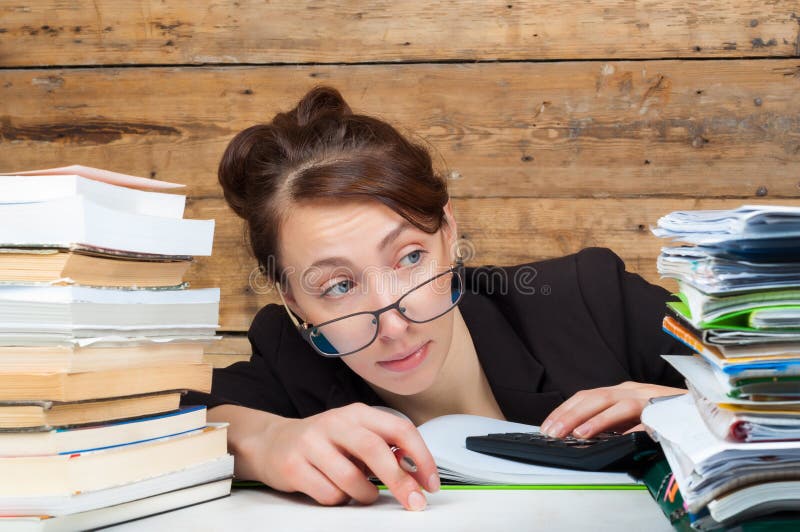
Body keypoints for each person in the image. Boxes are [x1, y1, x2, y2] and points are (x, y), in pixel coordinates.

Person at [184, 85, 692, 512]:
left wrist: (693, 410)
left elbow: (744, 374)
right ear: (293, 300)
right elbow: (163, 413)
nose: (394, 326)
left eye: (409, 258)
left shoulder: (591, 298)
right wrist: (262, 439)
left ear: (448, 231)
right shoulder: (289, 359)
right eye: (338, 286)